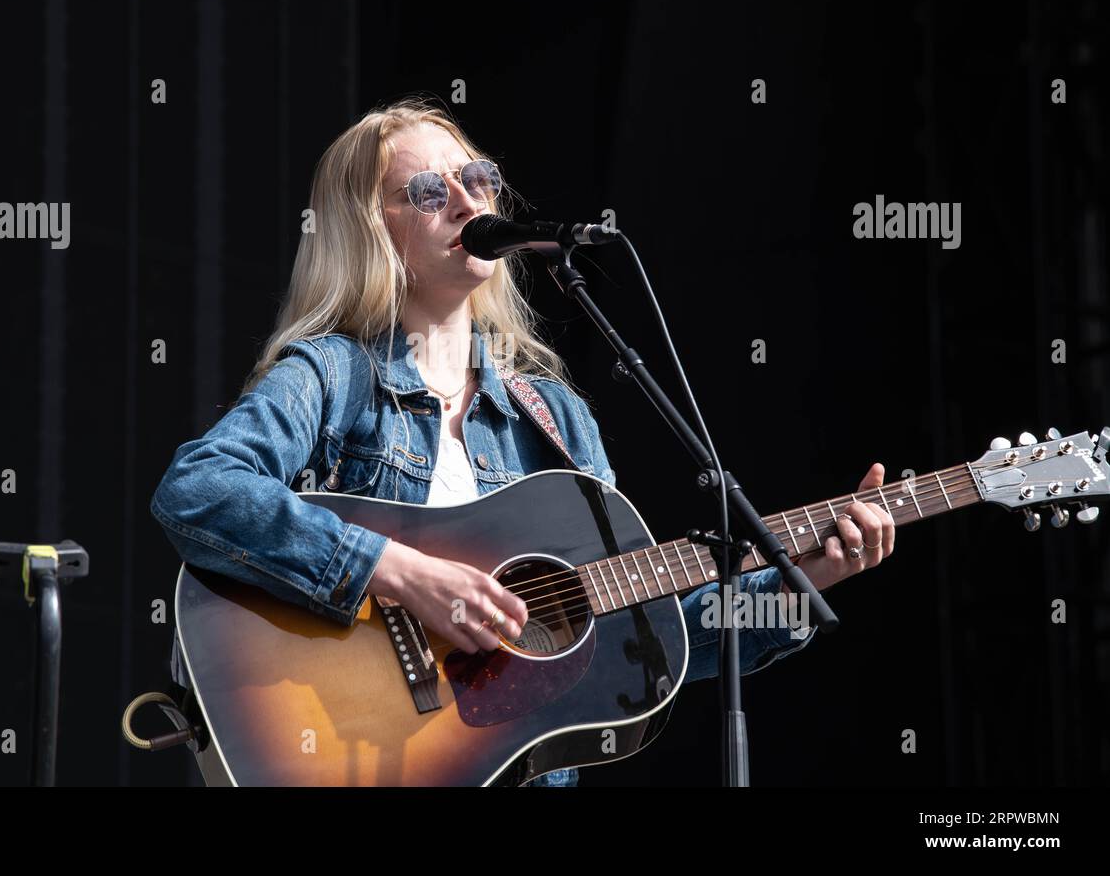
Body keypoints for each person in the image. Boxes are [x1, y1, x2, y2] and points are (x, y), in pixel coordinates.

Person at [150, 95, 896, 786]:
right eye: (431, 191)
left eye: (478, 179)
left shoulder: (555, 417)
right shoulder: (335, 375)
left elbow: (641, 640)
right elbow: (200, 491)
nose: (471, 201)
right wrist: (406, 576)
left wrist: (801, 585)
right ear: (370, 231)